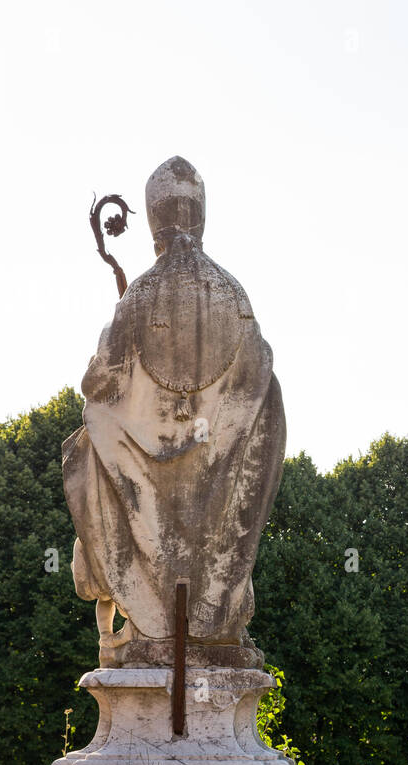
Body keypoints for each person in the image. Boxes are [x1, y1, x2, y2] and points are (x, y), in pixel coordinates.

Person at [62, 156, 286, 668]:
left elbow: (100, 381)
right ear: (202, 217)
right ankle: (219, 617)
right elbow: (260, 381)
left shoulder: (139, 295)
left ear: (153, 218)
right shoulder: (232, 293)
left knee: (83, 452)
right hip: (219, 463)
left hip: (146, 472)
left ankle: (139, 620)